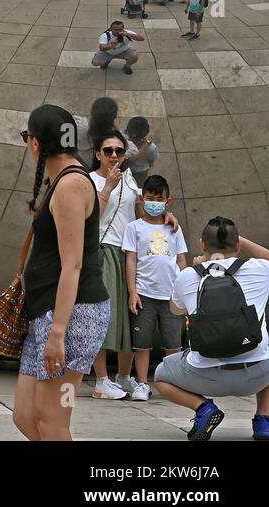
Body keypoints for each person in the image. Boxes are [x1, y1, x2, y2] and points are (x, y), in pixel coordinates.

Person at [12, 105, 110, 441]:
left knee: (53, 421)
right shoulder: (70, 180)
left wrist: (57, 334)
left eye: (27, 137)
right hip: (50, 313)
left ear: (36, 143)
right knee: (26, 415)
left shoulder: (69, 185)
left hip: (72, 317)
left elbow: (74, 264)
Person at [154, 217, 269, 441]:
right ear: (237, 245)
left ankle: (203, 408)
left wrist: (197, 267)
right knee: (265, 345)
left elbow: (176, 310)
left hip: (204, 375)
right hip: (258, 374)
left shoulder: (188, 275)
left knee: (160, 376)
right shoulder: (261, 269)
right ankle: (264, 420)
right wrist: (242, 242)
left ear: (203, 244)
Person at [88, 129, 142, 400]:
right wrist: (107, 186)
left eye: (119, 151)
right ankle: (101, 380)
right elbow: (89, 216)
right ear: (97, 154)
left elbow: (139, 213)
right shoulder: (88, 180)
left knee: (127, 317)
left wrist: (166, 217)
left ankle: (123, 376)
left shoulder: (130, 179)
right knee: (104, 316)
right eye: (108, 151)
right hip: (103, 249)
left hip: (128, 253)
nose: (113, 156)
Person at [122, 174, 187, 401]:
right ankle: (141, 384)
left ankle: (174, 383)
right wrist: (132, 292)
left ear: (168, 201)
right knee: (142, 344)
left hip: (171, 296)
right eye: (150, 198)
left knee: (173, 344)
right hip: (144, 295)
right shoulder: (134, 228)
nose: (154, 202)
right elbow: (131, 260)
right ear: (142, 198)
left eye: (159, 199)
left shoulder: (174, 228)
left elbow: (181, 261)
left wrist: (185, 293)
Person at [123, 116, 159, 182]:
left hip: (127, 168)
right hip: (141, 170)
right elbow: (152, 158)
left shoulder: (123, 140)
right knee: (139, 183)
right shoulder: (151, 148)